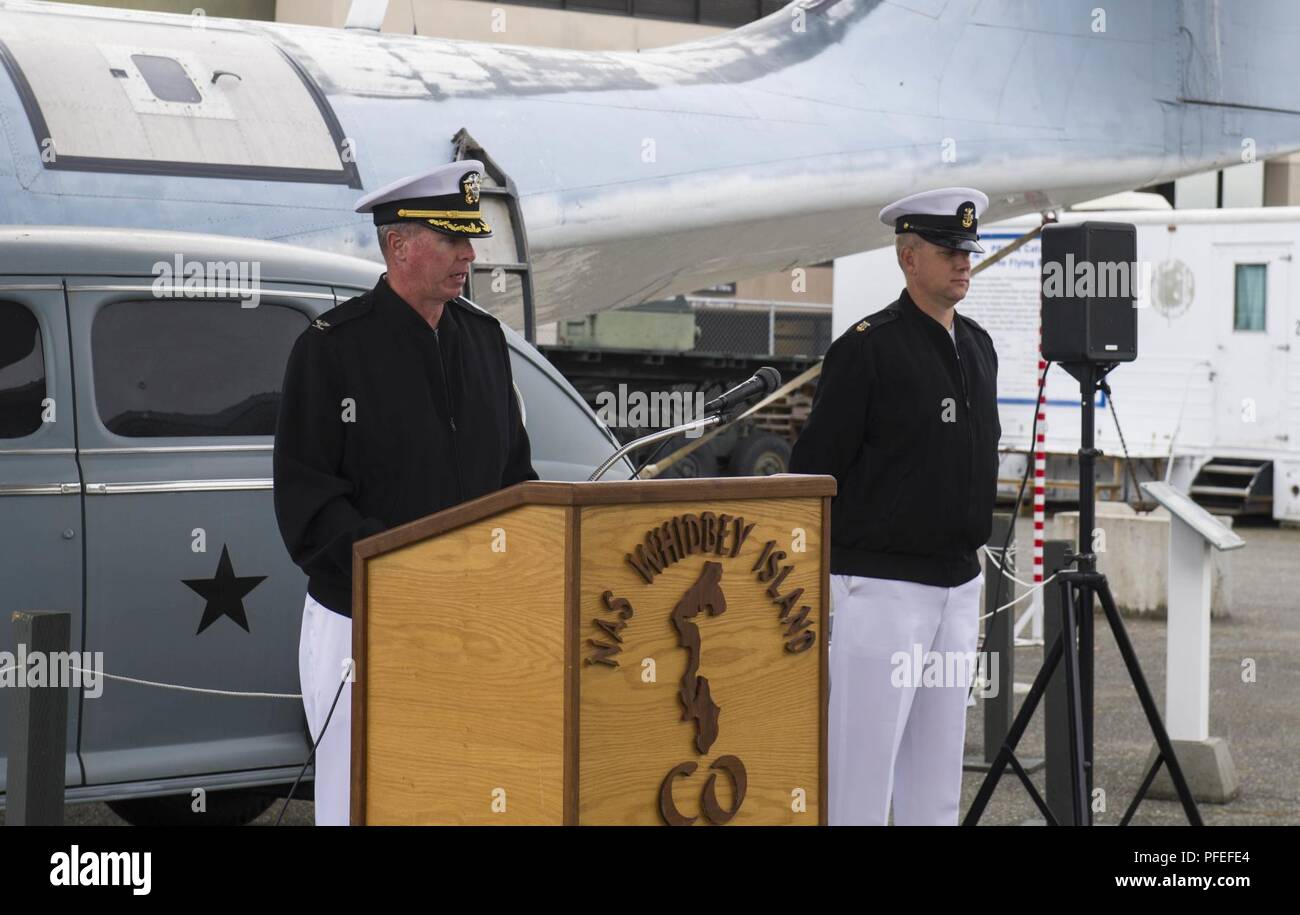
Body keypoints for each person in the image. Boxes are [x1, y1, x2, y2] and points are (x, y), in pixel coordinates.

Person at [273, 160, 538, 825]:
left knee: (459, 797)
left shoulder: (485, 341)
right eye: (452, 239)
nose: (470, 255)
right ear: (398, 246)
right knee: (363, 801)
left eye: (469, 239)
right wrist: (407, 570)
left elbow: (515, 479)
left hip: (475, 621)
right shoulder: (331, 350)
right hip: (364, 622)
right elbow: (308, 505)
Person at [789, 187, 1001, 825]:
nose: (964, 261)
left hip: (958, 585)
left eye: (968, 249)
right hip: (881, 588)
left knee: (936, 779)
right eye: (947, 250)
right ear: (909, 258)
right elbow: (815, 468)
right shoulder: (867, 347)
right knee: (860, 773)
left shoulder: (979, 347)